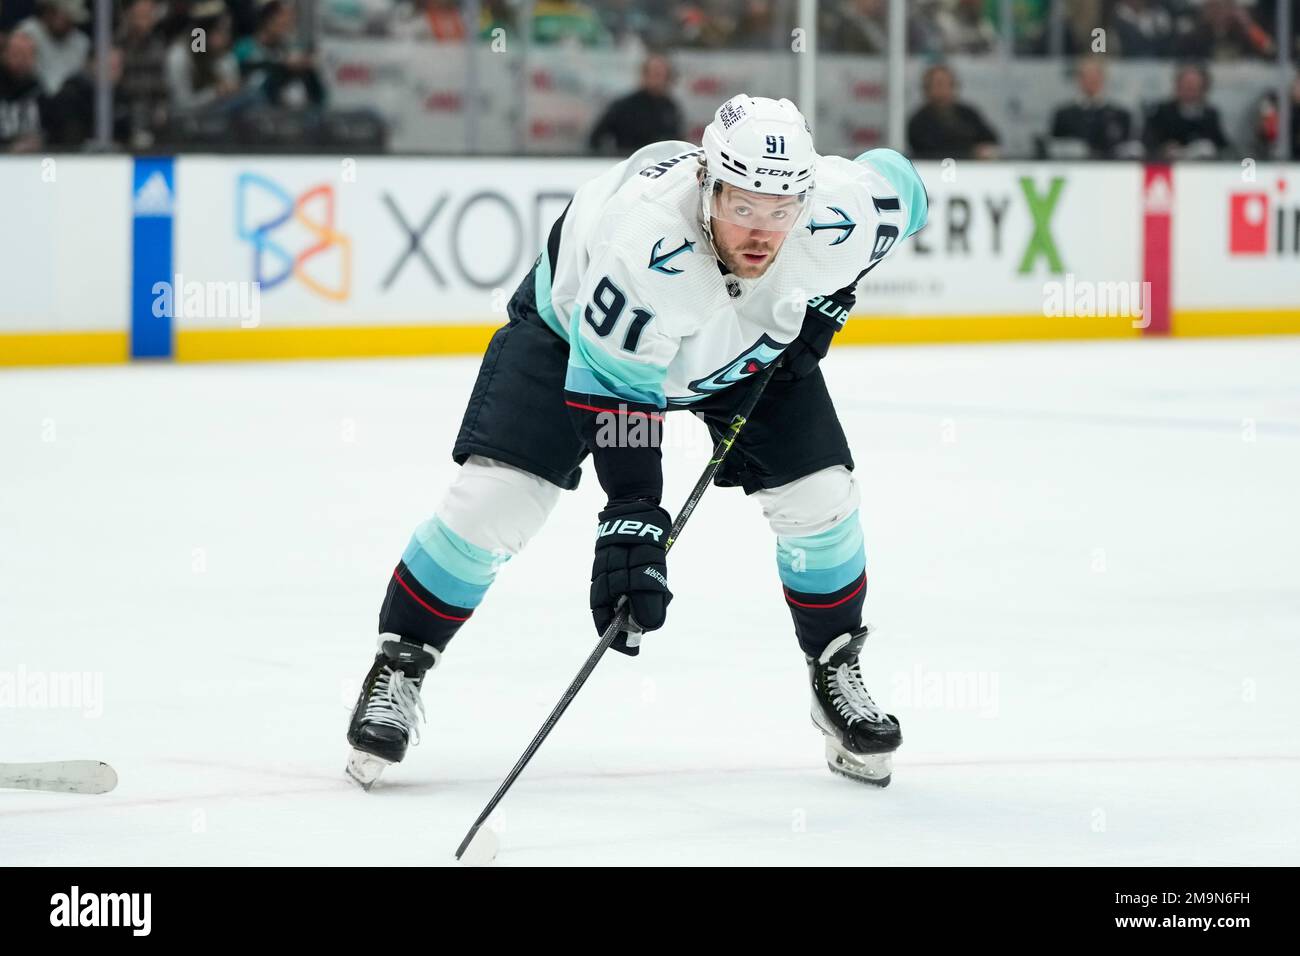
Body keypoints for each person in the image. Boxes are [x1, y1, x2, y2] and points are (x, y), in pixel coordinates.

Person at [344, 94, 928, 790]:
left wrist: (834, 294)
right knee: (494, 504)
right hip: (574, 335)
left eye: (780, 210)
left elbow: (902, 184)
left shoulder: (836, 213)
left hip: (742, 349)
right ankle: (402, 659)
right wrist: (631, 518)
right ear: (709, 182)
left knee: (822, 499)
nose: (762, 232)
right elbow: (616, 392)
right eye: (742, 206)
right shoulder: (646, 243)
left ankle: (834, 665)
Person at [588, 53, 682, 156]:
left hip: (661, 166)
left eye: (663, 75)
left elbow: (677, 143)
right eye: (655, 74)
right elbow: (596, 137)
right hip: (629, 164)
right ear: (644, 75)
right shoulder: (624, 106)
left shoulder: (671, 108)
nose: (659, 80)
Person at [907, 63, 1000, 159]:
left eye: (949, 84)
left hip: (970, 170)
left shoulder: (968, 113)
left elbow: (991, 138)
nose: (944, 89)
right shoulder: (918, 121)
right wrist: (971, 150)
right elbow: (931, 149)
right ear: (927, 89)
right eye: (939, 84)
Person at [1048, 57, 1133, 159]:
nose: (1091, 81)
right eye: (1086, 76)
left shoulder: (1120, 115)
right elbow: (1054, 148)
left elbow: (1128, 149)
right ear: (1078, 79)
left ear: (1103, 78)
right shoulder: (1063, 115)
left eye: (1095, 76)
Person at [1144, 63, 1230, 159]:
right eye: (1186, 86)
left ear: (1204, 89)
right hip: (1168, 164)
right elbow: (1149, 142)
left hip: (1202, 167)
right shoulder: (1161, 111)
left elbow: (1222, 145)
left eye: (1194, 87)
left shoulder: (1210, 114)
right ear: (1177, 87)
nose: (1189, 91)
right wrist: (1164, 148)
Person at [15, 0, 89, 96]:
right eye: (65, 16)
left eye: (72, 18)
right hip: (32, 98)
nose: (69, 23)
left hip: (70, 103)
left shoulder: (81, 42)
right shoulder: (27, 33)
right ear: (49, 11)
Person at [0, 30, 44, 152]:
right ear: (4, 55)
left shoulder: (39, 90)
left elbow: (51, 132)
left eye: (28, 55)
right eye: (17, 54)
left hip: (29, 162)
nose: (23, 60)